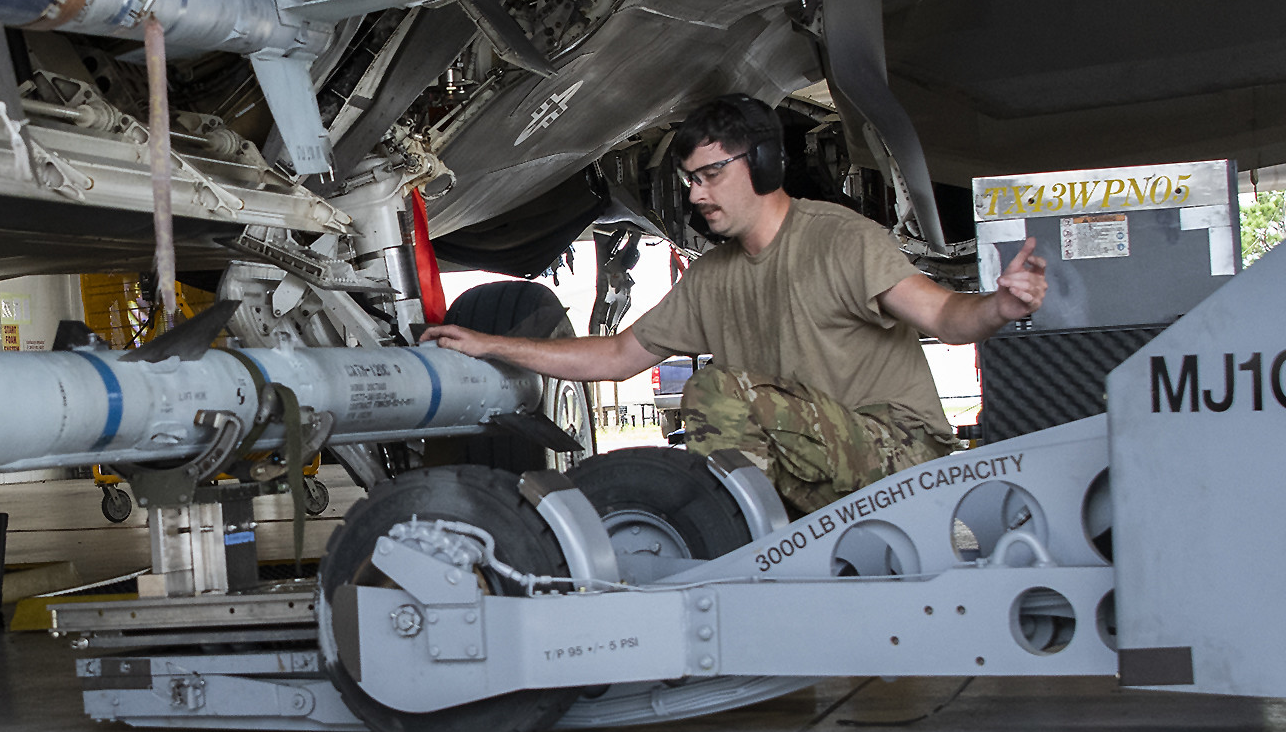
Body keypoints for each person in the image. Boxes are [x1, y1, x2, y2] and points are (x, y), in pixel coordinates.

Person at [422, 94, 1046, 512]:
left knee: (716, 391)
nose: (696, 195)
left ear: (765, 165)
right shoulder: (712, 278)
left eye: (711, 174)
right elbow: (615, 356)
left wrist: (999, 306)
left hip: (903, 459)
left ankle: (742, 551)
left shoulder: (841, 240)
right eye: (690, 179)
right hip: (814, 463)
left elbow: (943, 316)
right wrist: (490, 344)